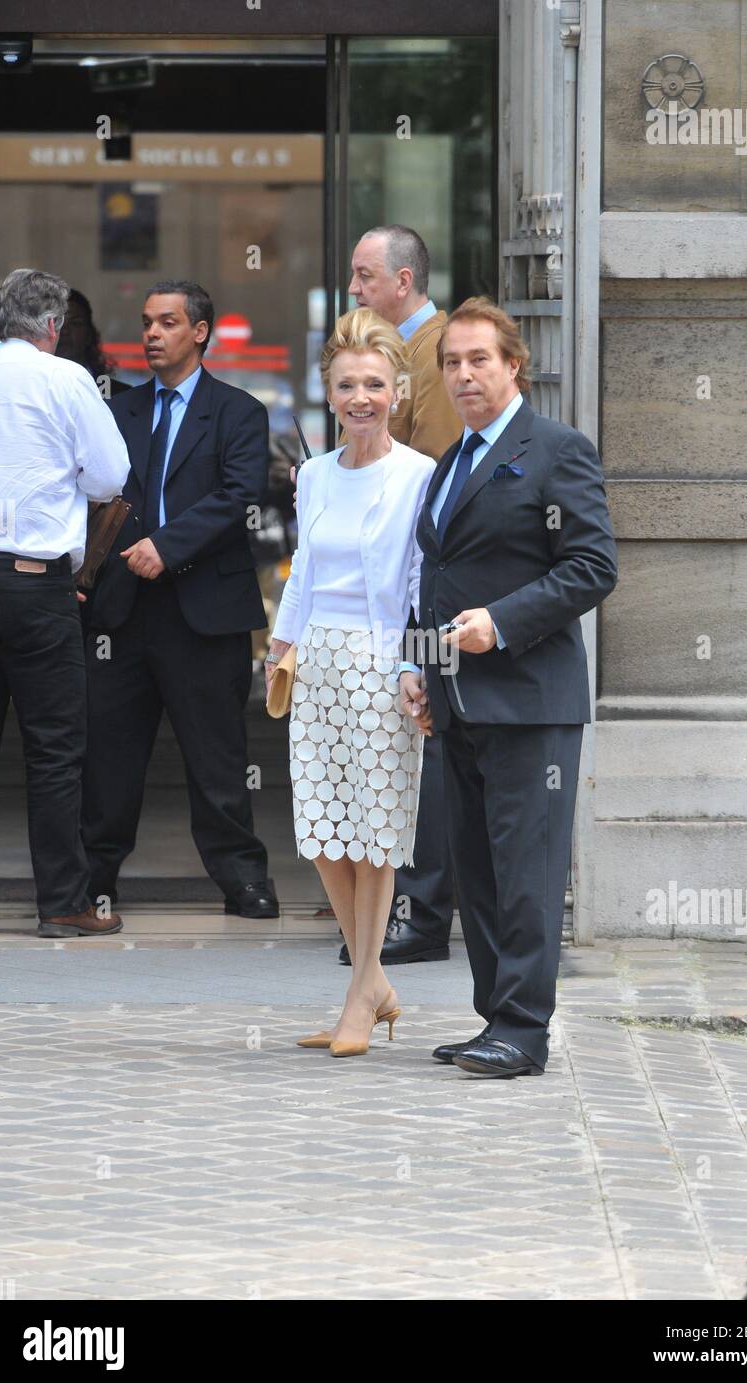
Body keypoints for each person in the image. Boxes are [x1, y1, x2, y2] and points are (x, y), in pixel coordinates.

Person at [400, 298, 618, 1078]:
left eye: (478, 360)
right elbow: (435, 575)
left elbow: (593, 567)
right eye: (451, 363)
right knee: (478, 874)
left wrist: (501, 621)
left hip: (529, 700)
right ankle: (496, 1017)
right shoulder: (449, 462)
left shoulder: (556, 450)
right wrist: (420, 670)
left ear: (512, 365)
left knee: (525, 873)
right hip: (458, 702)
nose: (463, 374)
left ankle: (525, 1030)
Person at [265, 307, 435, 1056]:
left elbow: (420, 580)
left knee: (375, 837)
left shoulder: (419, 476)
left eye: (372, 382)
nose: (359, 396)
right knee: (325, 833)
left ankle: (362, 992)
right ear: (327, 392)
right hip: (318, 664)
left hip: (381, 663)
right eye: (345, 385)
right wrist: (280, 643)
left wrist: (412, 664)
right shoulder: (312, 475)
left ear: (397, 389)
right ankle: (371, 983)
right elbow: (303, 566)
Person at [81, 279, 279, 919]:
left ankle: (242, 878)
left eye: (167, 322)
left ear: (200, 332)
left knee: (217, 757)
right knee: (110, 756)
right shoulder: (118, 410)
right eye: (146, 322)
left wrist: (168, 546)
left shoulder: (239, 411)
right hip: (122, 610)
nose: (152, 334)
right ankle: (95, 881)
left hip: (203, 609)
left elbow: (238, 494)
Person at [0, 268, 130, 938]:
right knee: (56, 749)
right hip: (37, 584)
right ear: (51, 328)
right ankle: (63, 903)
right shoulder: (65, 378)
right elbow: (110, 477)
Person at [337, 225, 462, 966]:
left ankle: (420, 913)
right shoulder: (399, 350)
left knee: (423, 742)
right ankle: (393, 907)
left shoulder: (435, 349)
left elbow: (439, 485)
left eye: (363, 277)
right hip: (396, 591)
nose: (353, 290)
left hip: (426, 592)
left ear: (403, 282)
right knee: (400, 738)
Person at [56, 288, 132, 397]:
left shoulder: (121, 395)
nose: (65, 330)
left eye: (75, 323)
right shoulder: (30, 391)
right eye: (57, 322)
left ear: (89, 333)